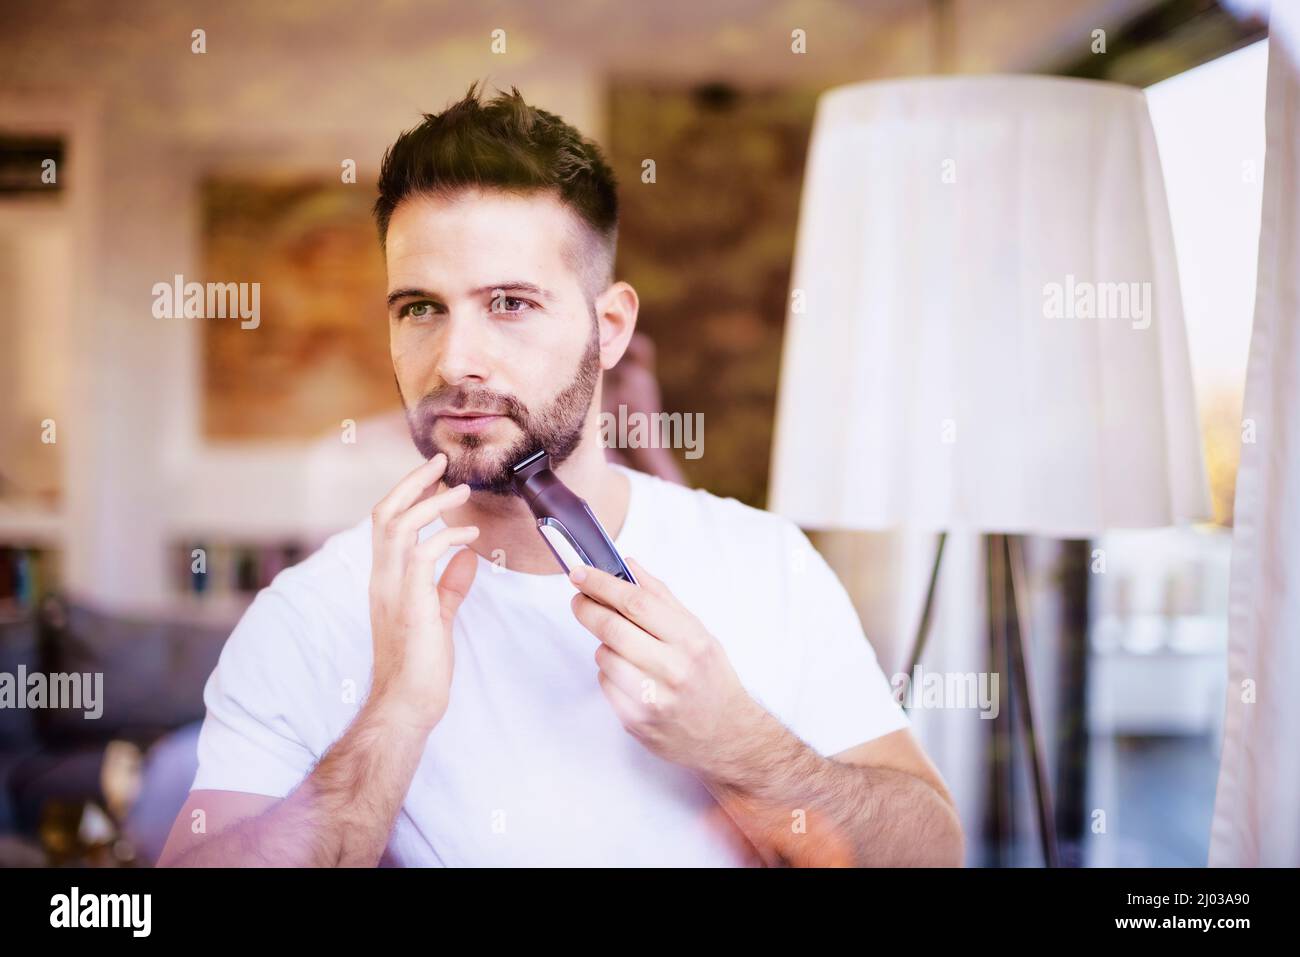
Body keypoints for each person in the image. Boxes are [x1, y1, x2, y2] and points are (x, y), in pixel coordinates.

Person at [158, 82, 963, 867]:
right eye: (420, 308)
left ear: (609, 327)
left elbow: (934, 851)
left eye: (509, 302)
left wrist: (741, 745)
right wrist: (395, 715)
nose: (456, 359)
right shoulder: (308, 617)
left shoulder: (766, 563)